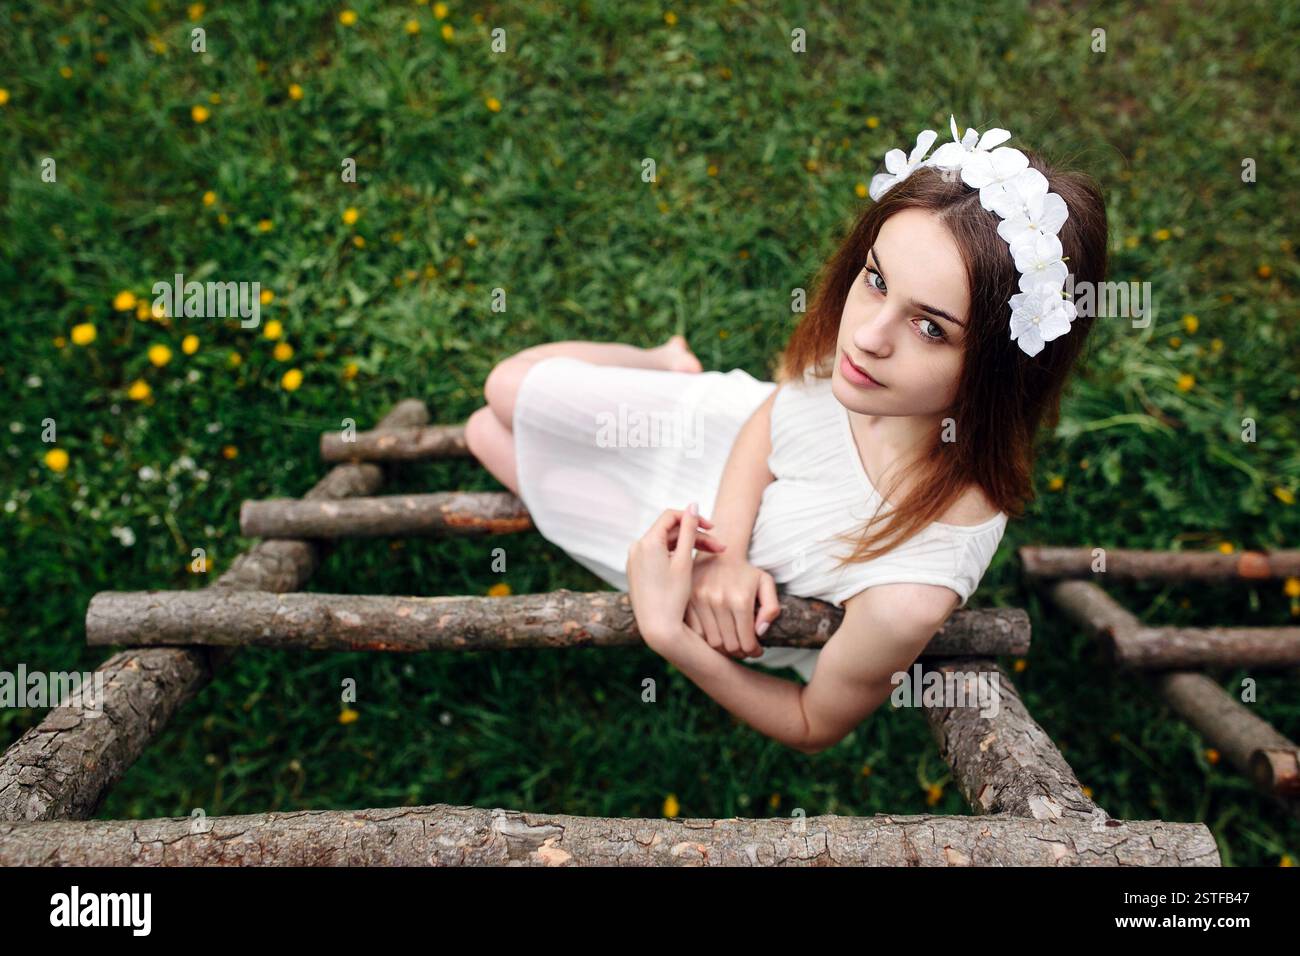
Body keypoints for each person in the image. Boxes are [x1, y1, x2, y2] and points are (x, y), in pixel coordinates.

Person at [465, 116, 1108, 753]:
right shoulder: (871, 368)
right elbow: (770, 419)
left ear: (1003, 369)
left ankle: (651, 400)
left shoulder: (910, 592)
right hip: (719, 461)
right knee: (503, 389)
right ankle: (666, 362)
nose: (865, 336)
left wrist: (670, 635)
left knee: (486, 438)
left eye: (931, 327)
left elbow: (811, 723)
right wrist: (728, 553)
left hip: (688, 556)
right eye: (877, 279)